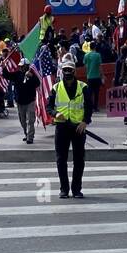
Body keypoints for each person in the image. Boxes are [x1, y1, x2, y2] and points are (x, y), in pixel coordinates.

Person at [46, 54, 91, 199]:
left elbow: (89, 107)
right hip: (62, 127)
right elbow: (49, 107)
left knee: (79, 160)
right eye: (65, 69)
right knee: (61, 159)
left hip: (78, 128)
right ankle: (64, 189)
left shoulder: (83, 87)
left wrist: (85, 122)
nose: (67, 72)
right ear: (62, 71)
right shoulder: (56, 87)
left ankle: (76, 189)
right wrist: (55, 114)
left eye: (70, 69)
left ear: (74, 71)